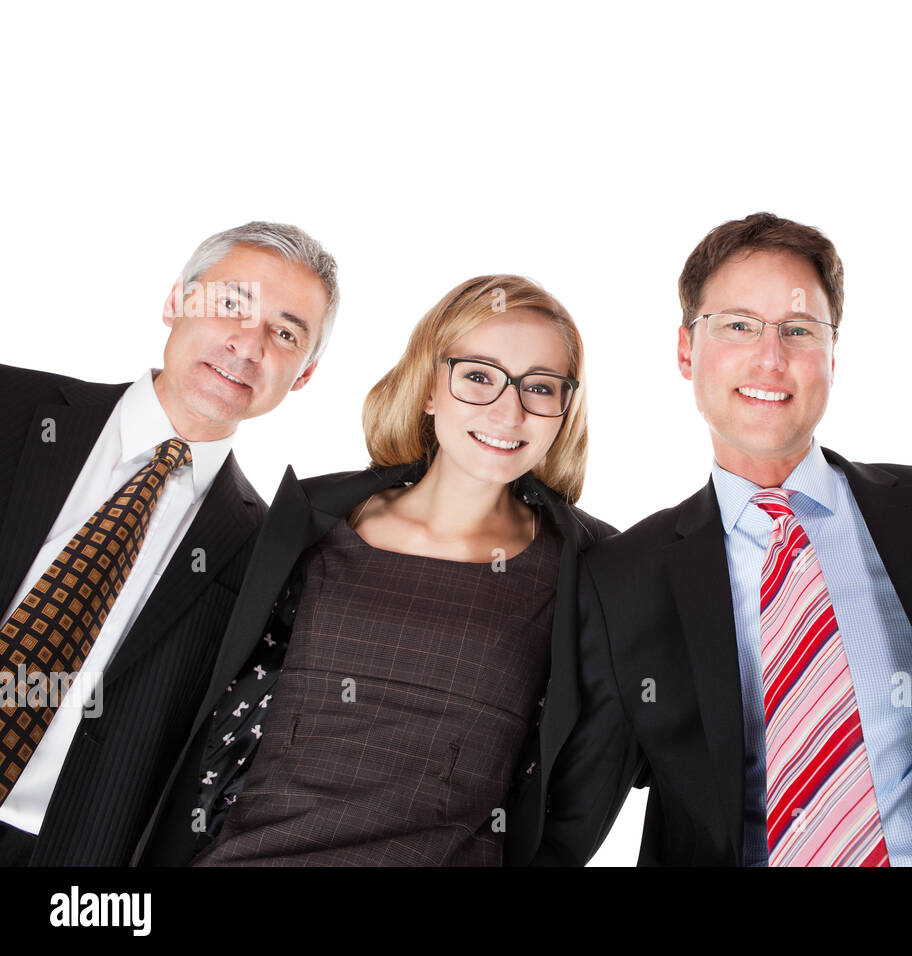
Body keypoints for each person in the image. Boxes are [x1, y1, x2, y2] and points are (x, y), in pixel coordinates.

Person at [536, 212, 912, 867]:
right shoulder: (624, 579)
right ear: (686, 350)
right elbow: (568, 822)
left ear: (832, 353)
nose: (771, 358)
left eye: (798, 330)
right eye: (738, 325)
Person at [136, 274, 613, 866]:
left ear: (564, 408)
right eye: (479, 377)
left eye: (540, 387)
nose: (508, 410)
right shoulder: (305, 526)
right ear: (429, 388)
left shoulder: (590, 569)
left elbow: (589, 777)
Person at [0, 221, 337, 866]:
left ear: (303, 375)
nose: (248, 344)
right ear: (176, 302)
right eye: (231, 305)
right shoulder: (12, 406)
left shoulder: (270, 560)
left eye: (286, 333)